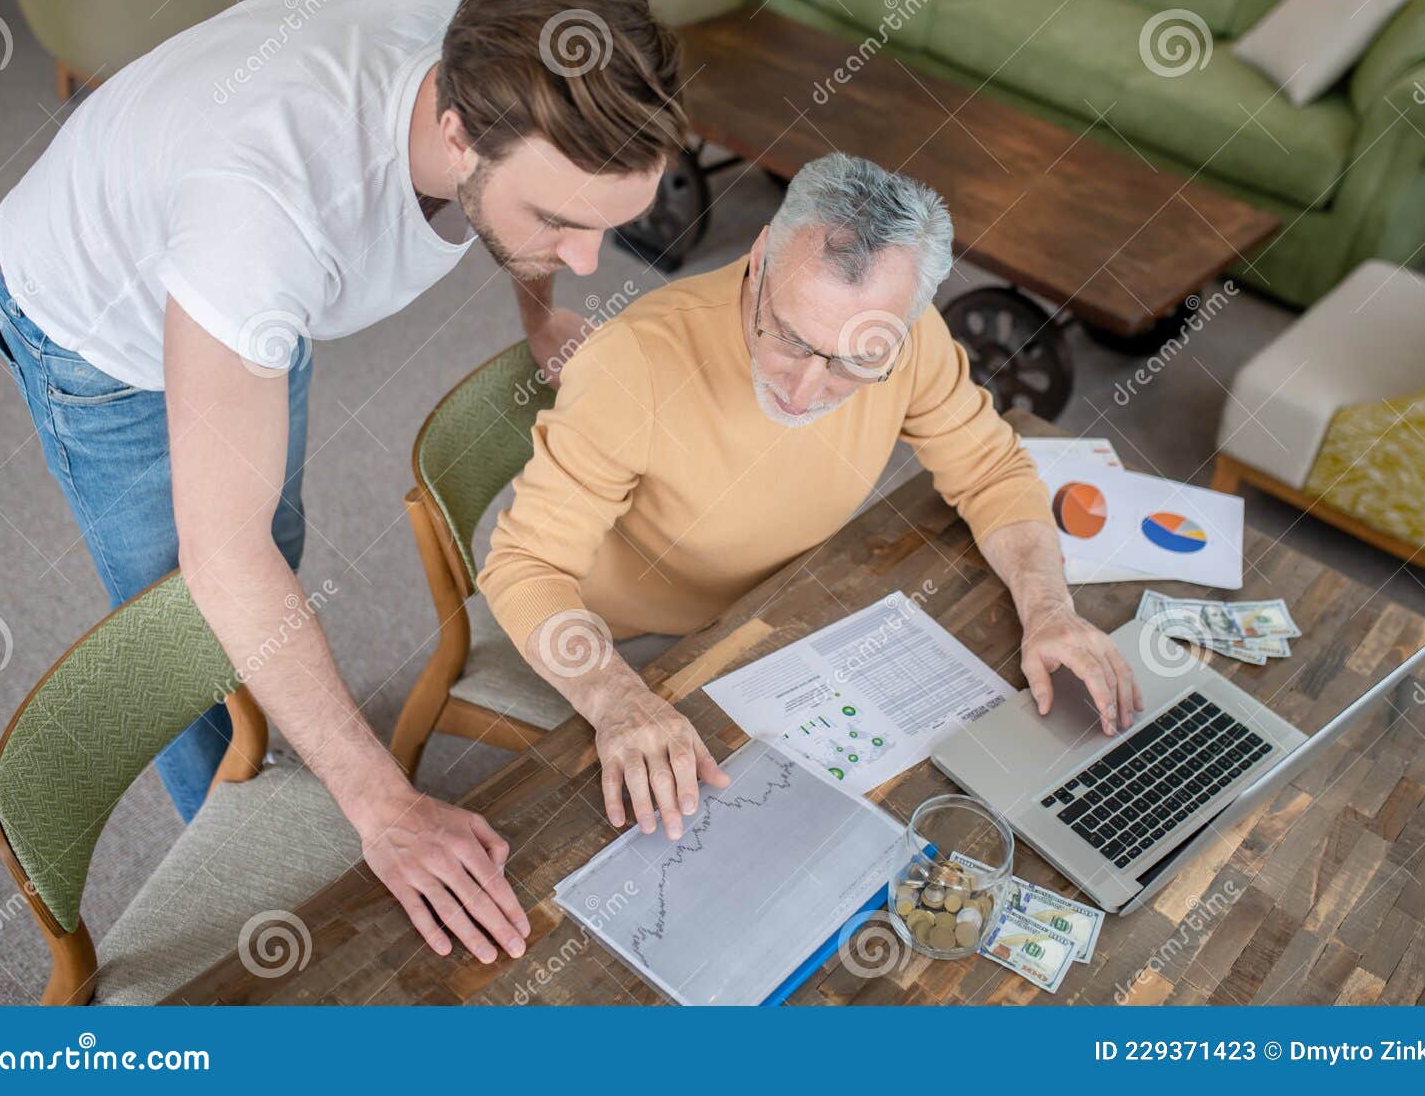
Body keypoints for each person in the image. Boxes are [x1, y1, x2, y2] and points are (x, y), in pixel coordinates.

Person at [0, 0, 685, 965]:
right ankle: (234, 842)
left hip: (224, 264)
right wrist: (384, 805)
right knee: (188, 616)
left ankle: (293, 741)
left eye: (605, 228)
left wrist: (541, 316)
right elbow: (220, 560)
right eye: (561, 226)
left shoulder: (499, 55)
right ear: (455, 135)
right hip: (95, 322)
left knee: (273, 540)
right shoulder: (259, 224)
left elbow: (527, 222)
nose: (587, 256)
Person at [479, 153, 1144, 843]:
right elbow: (525, 567)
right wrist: (616, 697)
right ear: (762, 254)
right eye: (790, 338)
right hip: (636, 640)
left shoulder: (908, 341)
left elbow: (990, 470)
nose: (800, 393)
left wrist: (1049, 610)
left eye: (854, 363)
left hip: (788, 606)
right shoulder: (633, 365)